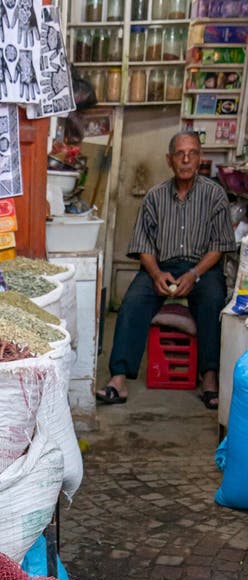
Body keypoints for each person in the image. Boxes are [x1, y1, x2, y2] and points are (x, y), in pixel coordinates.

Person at [96, 130, 236, 410]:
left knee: (212, 299)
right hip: (161, 266)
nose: (186, 159)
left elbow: (219, 246)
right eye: (179, 154)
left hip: (202, 267)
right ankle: (119, 379)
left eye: (192, 153)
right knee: (132, 301)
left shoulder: (215, 195)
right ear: (169, 160)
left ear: (200, 159)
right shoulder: (154, 197)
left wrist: (194, 273)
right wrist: (157, 273)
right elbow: (143, 244)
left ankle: (209, 378)